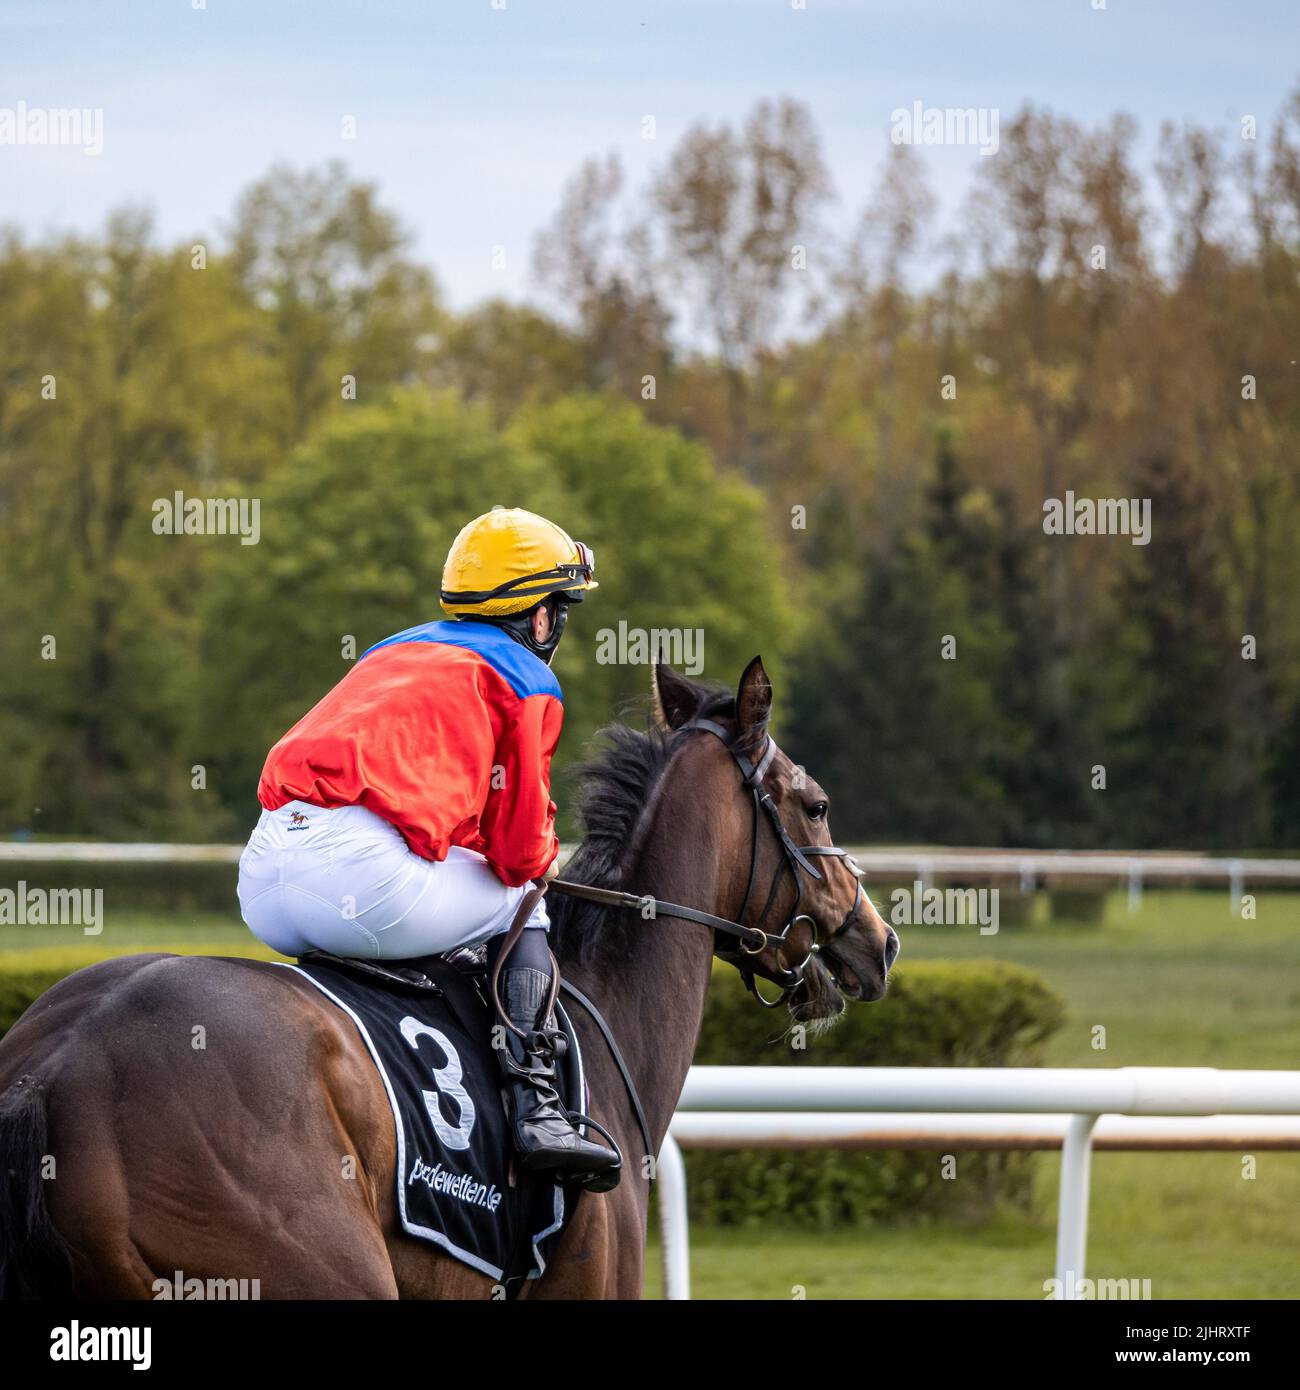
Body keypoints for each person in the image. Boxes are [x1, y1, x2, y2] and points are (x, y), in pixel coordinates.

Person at [237, 507, 618, 1185]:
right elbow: (520, 850)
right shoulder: (528, 679)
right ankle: (537, 1103)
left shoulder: (394, 650)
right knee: (524, 901)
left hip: (263, 878)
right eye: (559, 608)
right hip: (362, 882)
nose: (556, 625)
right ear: (538, 616)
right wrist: (544, 859)